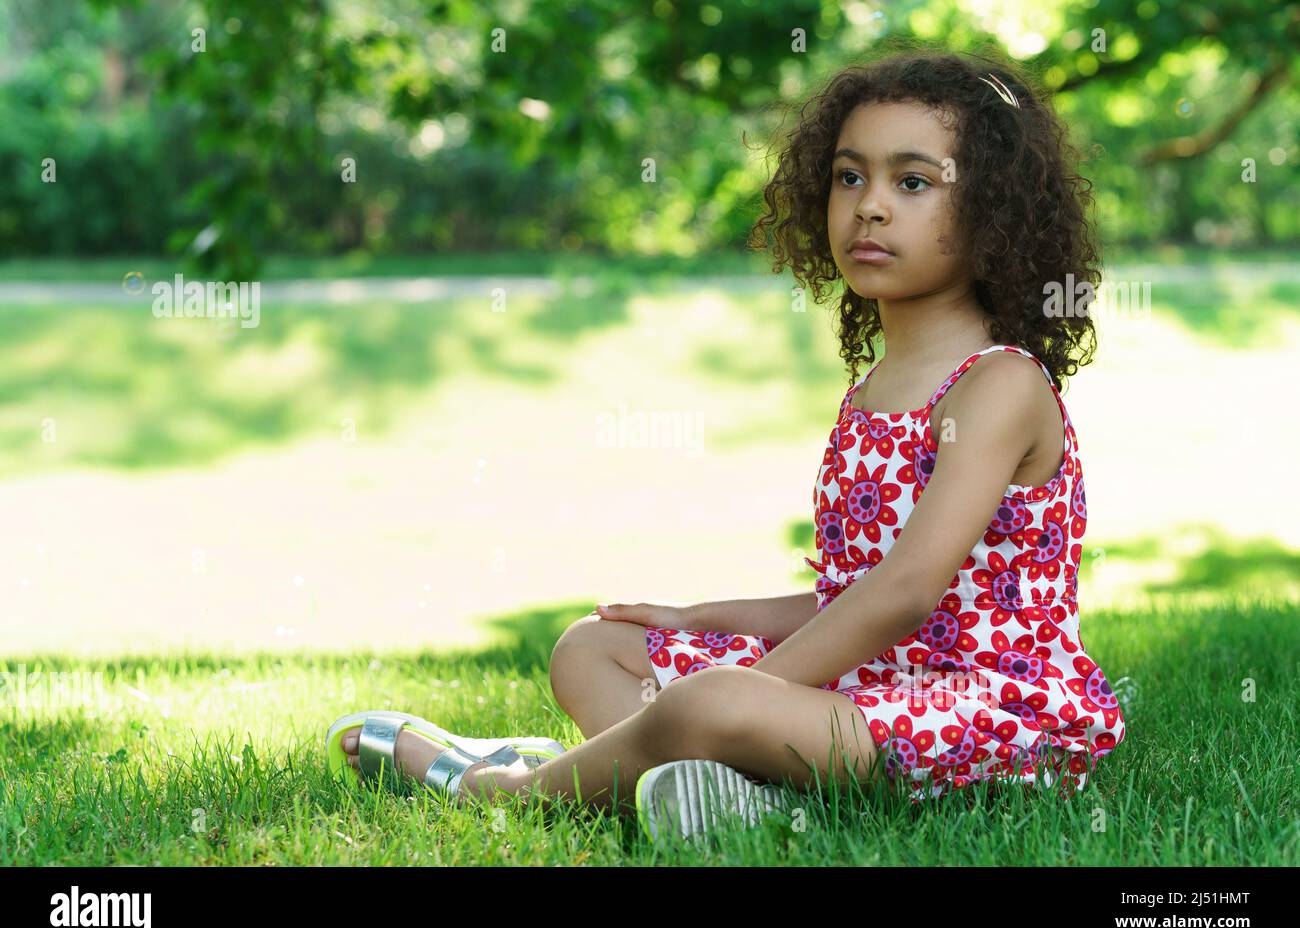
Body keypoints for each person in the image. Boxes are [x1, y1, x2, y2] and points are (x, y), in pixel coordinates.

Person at [333, 47, 1126, 829]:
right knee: (593, 648)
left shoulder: (999, 385)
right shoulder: (877, 386)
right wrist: (701, 617)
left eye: (912, 182)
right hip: (866, 691)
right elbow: (847, 596)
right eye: (849, 177)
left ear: (993, 211)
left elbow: (907, 593)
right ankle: (736, 795)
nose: (870, 206)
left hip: (986, 716)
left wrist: (749, 690)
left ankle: (503, 788)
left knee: (707, 703)